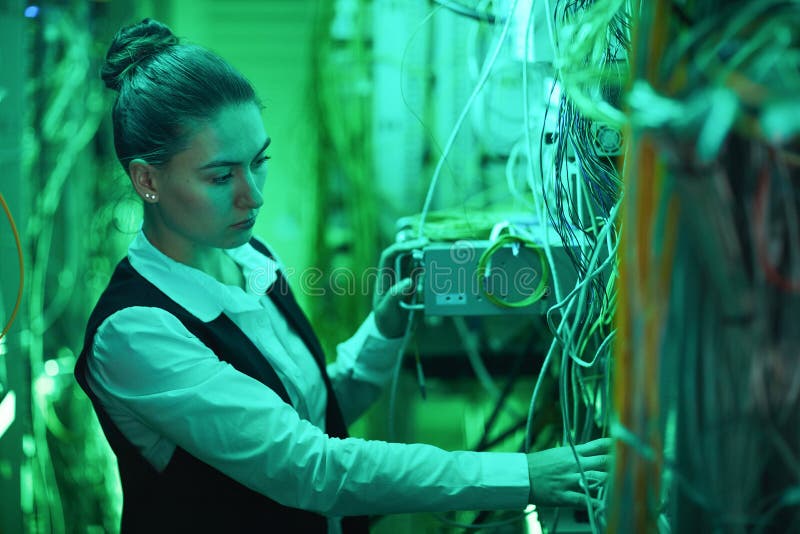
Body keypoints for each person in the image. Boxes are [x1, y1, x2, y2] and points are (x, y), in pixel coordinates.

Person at [75, 18, 611, 533]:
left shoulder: (244, 257)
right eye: (221, 176)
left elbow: (311, 412)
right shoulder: (134, 332)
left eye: (258, 163)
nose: (253, 195)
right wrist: (527, 476)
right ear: (147, 179)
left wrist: (384, 329)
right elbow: (312, 467)